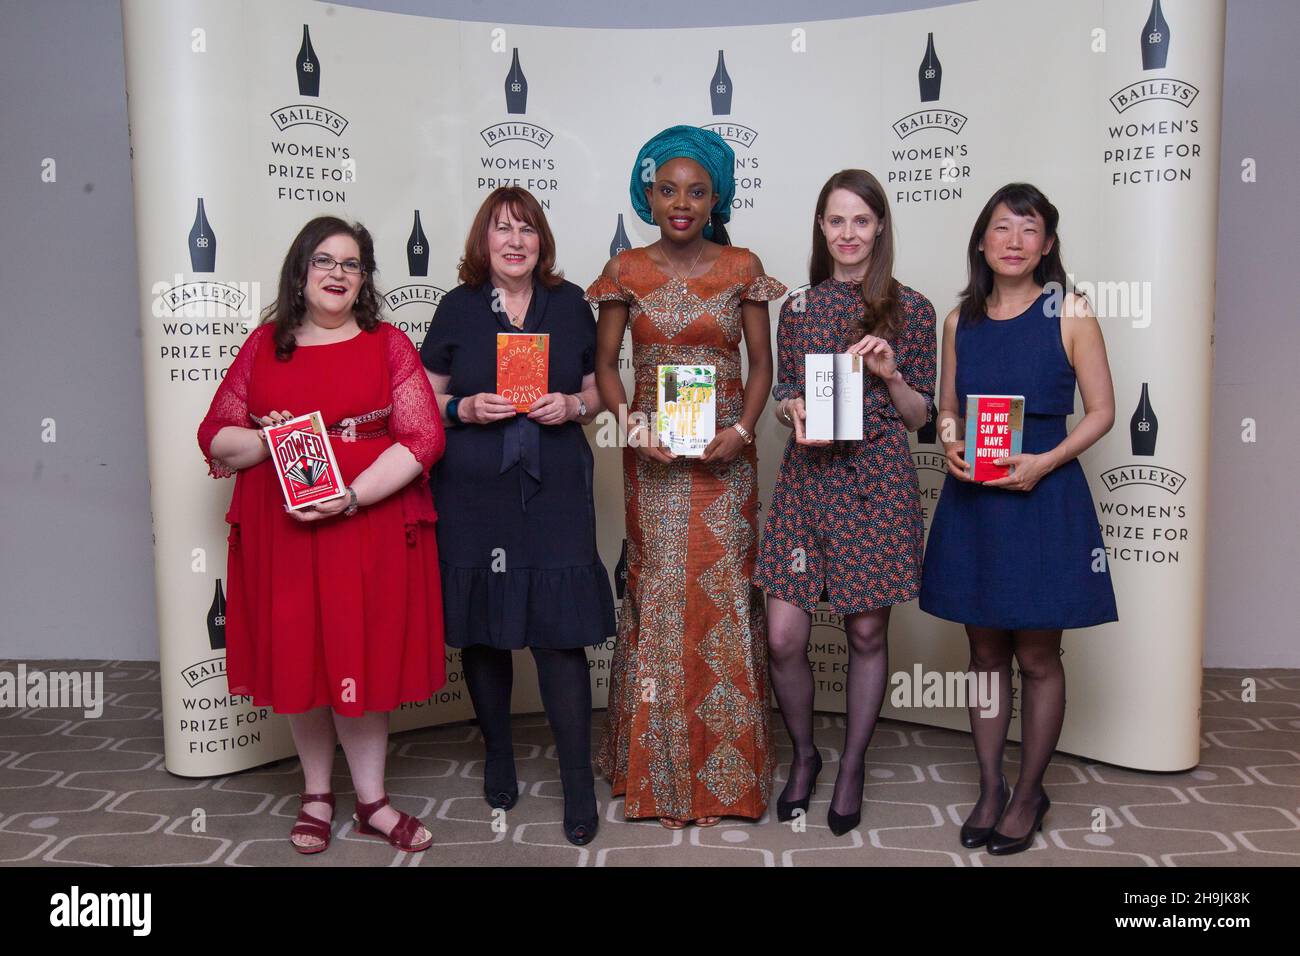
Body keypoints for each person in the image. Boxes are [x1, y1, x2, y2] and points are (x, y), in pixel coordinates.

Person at [197, 216, 446, 854]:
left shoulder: (388, 344)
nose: (338, 273)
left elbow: (424, 438)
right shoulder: (263, 347)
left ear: (364, 278)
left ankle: (372, 802)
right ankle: (315, 794)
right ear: (301, 273)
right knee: (301, 656)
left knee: (358, 655)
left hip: (366, 522)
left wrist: (351, 497)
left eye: (352, 263)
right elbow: (215, 436)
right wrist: (264, 436)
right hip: (283, 528)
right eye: (324, 261)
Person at [587, 125, 784, 828]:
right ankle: (656, 770)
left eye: (696, 191)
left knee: (724, 593)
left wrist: (740, 431)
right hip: (654, 462)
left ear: (715, 197)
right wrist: (632, 425)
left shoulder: (742, 268)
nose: (681, 202)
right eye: (667, 189)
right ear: (649, 194)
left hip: (725, 463)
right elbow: (608, 366)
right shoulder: (625, 271)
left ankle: (727, 778)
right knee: (659, 591)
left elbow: (763, 364)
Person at [920, 183, 1118, 855]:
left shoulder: (1072, 311)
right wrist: (948, 439)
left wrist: (1045, 461)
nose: (1013, 240)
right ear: (982, 240)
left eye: (1028, 230)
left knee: (1036, 655)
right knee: (982, 653)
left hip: (1044, 498)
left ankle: (1030, 790)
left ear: (1048, 245)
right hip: (976, 498)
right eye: (1001, 228)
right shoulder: (960, 320)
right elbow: (946, 405)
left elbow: (1101, 412)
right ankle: (989, 785)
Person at [421, 187, 615, 846]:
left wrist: (576, 408)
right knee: (484, 627)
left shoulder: (569, 305)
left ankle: (577, 782)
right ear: (484, 242)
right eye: (502, 230)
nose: (514, 241)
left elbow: (598, 387)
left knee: (560, 636)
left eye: (527, 230)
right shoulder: (456, 309)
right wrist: (463, 411)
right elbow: (424, 398)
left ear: (542, 242)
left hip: (555, 488)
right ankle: (498, 751)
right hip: (474, 492)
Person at [755, 170, 936, 836]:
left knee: (865, 633)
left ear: (880, 226)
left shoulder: (912, 309)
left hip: (877, 484)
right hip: (808, 479)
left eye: (862, 221)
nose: (849, 233)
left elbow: (921, 416)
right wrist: (789, 407)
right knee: (782, 637)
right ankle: (806, 756)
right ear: (821, 228)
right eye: (837, 221)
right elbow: (782, 398)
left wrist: (890, 372)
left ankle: (853, 765)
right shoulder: (796, 307)